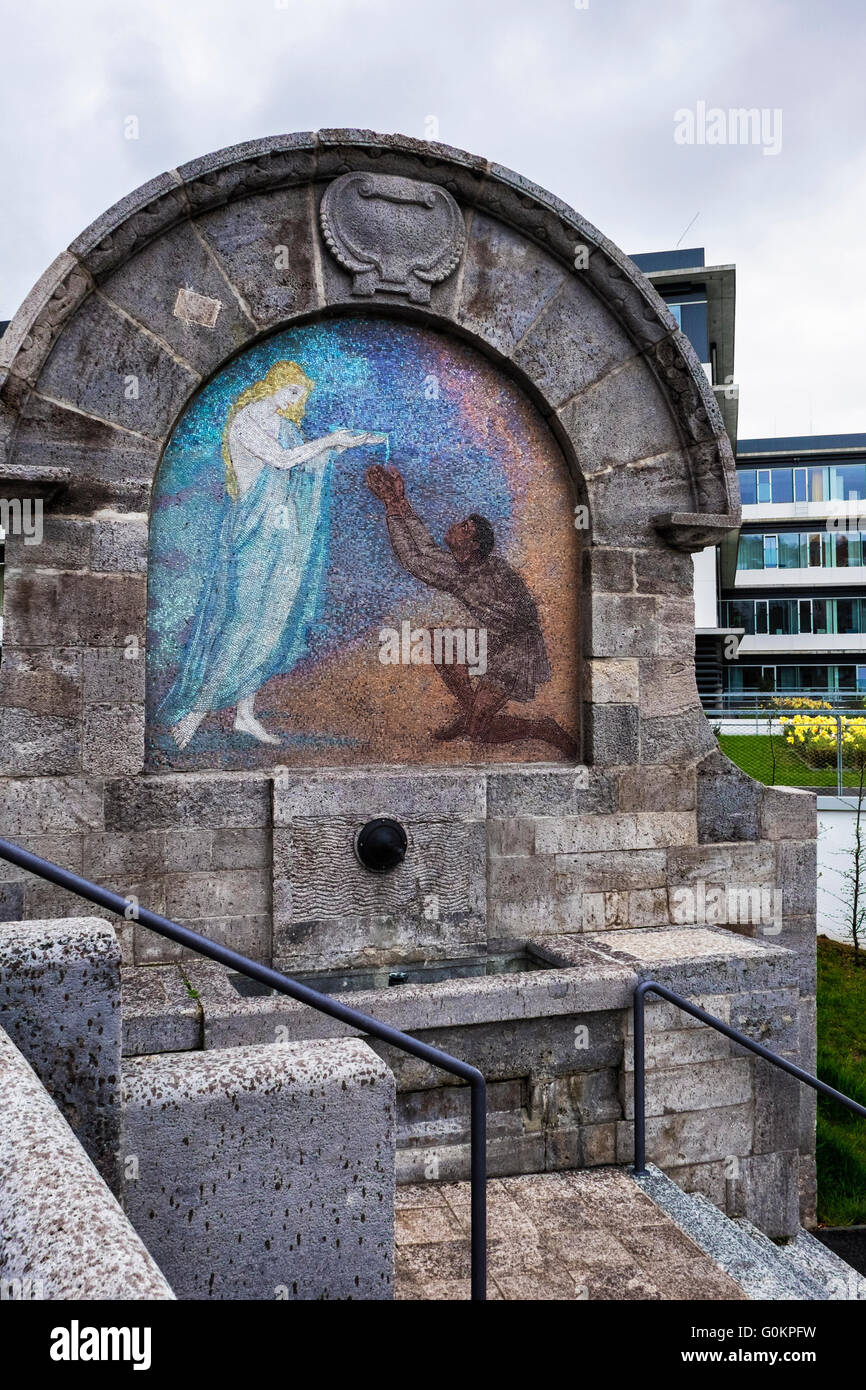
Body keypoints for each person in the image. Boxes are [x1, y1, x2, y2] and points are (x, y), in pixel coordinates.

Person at [162, 359, 384, 748]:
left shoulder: (285, 427)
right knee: (243, 621)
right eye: (295, 391)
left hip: (280, 536)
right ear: (276, 385)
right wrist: (330, 440)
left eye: (302, 395)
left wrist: (347, 443)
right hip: (252, 534)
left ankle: (244, 714)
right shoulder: (247, 422)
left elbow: (303, 466)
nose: (298, 401)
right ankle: (196, 711)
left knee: (270, 621)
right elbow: (282, 460)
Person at [366, 463, 576, 756]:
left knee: (481, 732)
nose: (456, 526)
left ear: (473, 545)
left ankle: (541, 728)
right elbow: (417, 555)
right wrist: (395, 503)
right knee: (438, 640)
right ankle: (471, 713)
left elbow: (419, 557)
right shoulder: (462, 568)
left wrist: (397, 506)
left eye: (465, 527)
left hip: (517, 649)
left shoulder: (487, 573)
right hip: (496, 639)